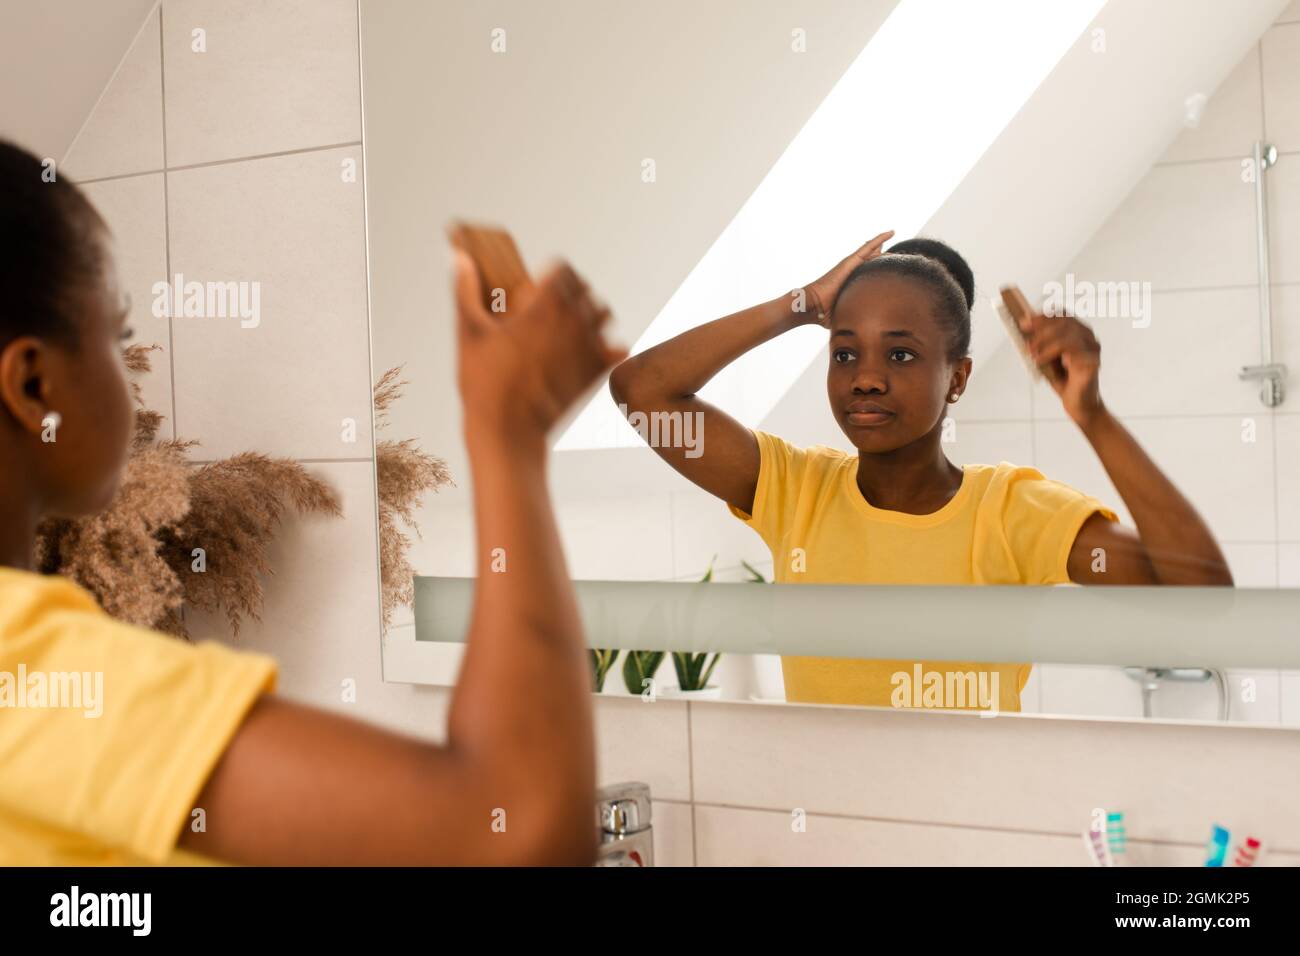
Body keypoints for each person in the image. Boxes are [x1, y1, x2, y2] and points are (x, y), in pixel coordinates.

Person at [0, 139, 624, 865]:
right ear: (34, 386)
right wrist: (508, 430)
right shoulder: (29, 669)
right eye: (119, 332)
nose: (127, 364)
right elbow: (516, 833)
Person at [608, 230, 1232, 710]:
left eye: (900, 354)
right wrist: (801, 306)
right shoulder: (794, 490)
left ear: (956, 377)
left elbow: (1203, 606)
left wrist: (1091, 414)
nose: (866, 378)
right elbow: (642, 389)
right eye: (845, 352)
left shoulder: (1012, 510)